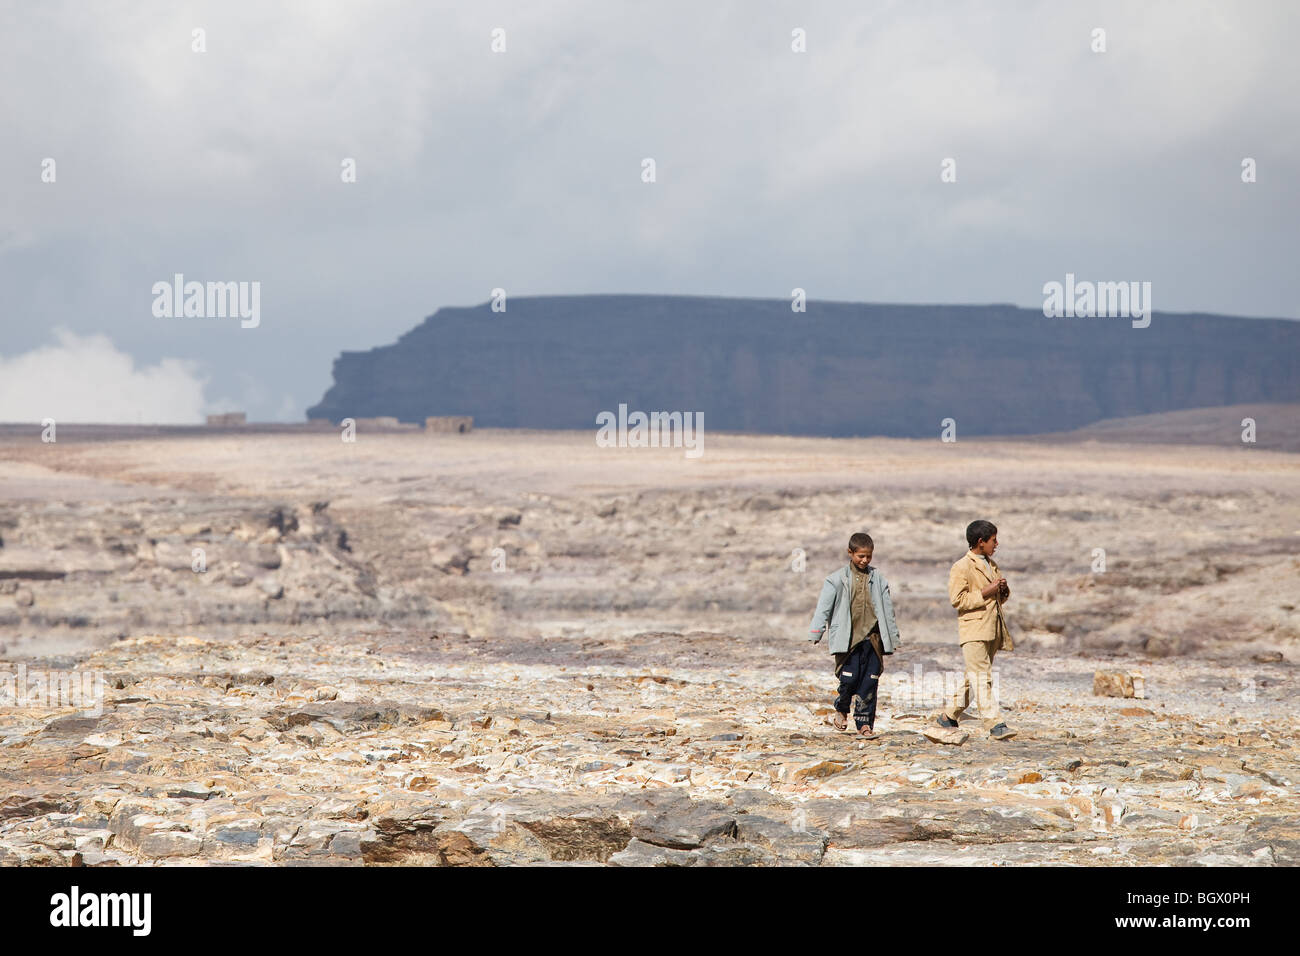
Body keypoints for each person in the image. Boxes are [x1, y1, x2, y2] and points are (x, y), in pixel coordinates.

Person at [808, 532, 901, 738]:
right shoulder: (836, 579)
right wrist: (817, 631)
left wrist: (892, 638)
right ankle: (841, 709)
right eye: (860, 556)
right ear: (850, 553)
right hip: (847, 640)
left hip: (873, 640)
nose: (865, 560)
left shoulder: (878, 579)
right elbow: (824, 607)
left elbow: (888, 610)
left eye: (868, 556)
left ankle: (864, 724)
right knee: (849, 679)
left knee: (870, 680)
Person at [936, 519, 1016, 740]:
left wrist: (1002, 590)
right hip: (974, 631)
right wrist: (987, 590)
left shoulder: (992, 564)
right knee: (982, 677)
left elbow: (999, 599)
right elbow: (958, 600)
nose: (996, 544)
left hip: (992, 629)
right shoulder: (961, 566)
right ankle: (995, 724)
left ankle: (949, 716)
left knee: (975, 676)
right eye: (993, 540)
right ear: (980, 542)